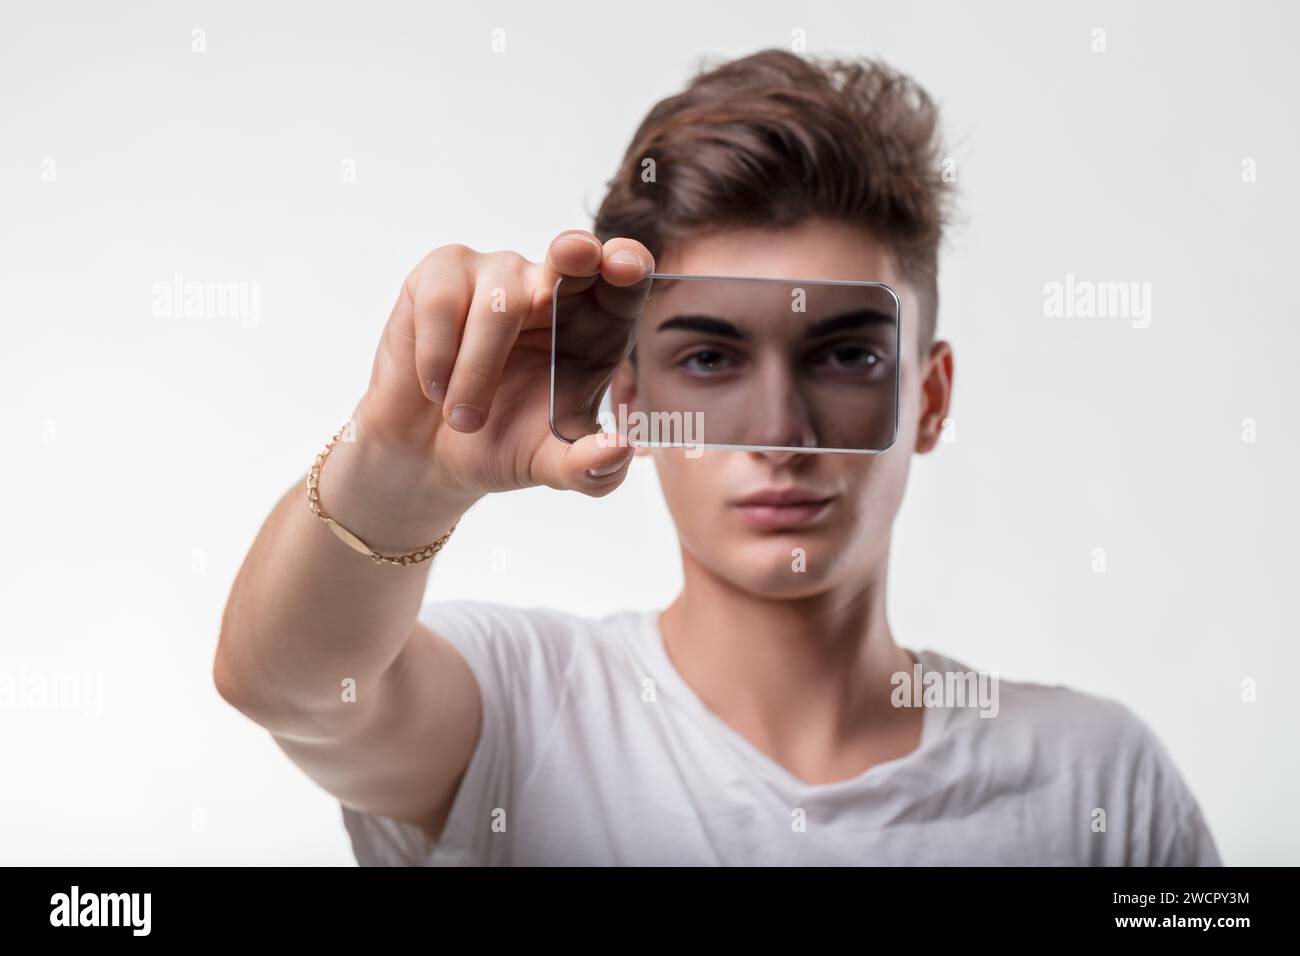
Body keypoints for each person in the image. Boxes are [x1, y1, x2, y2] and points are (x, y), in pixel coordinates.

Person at [214, 49, 1221, 866]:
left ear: (929, 397)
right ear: (627, 397)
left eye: (847, 354)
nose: (778, 429)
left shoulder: (1097, 781)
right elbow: (286, 688)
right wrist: (403, 466)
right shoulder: (520, 710)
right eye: (709, 357)